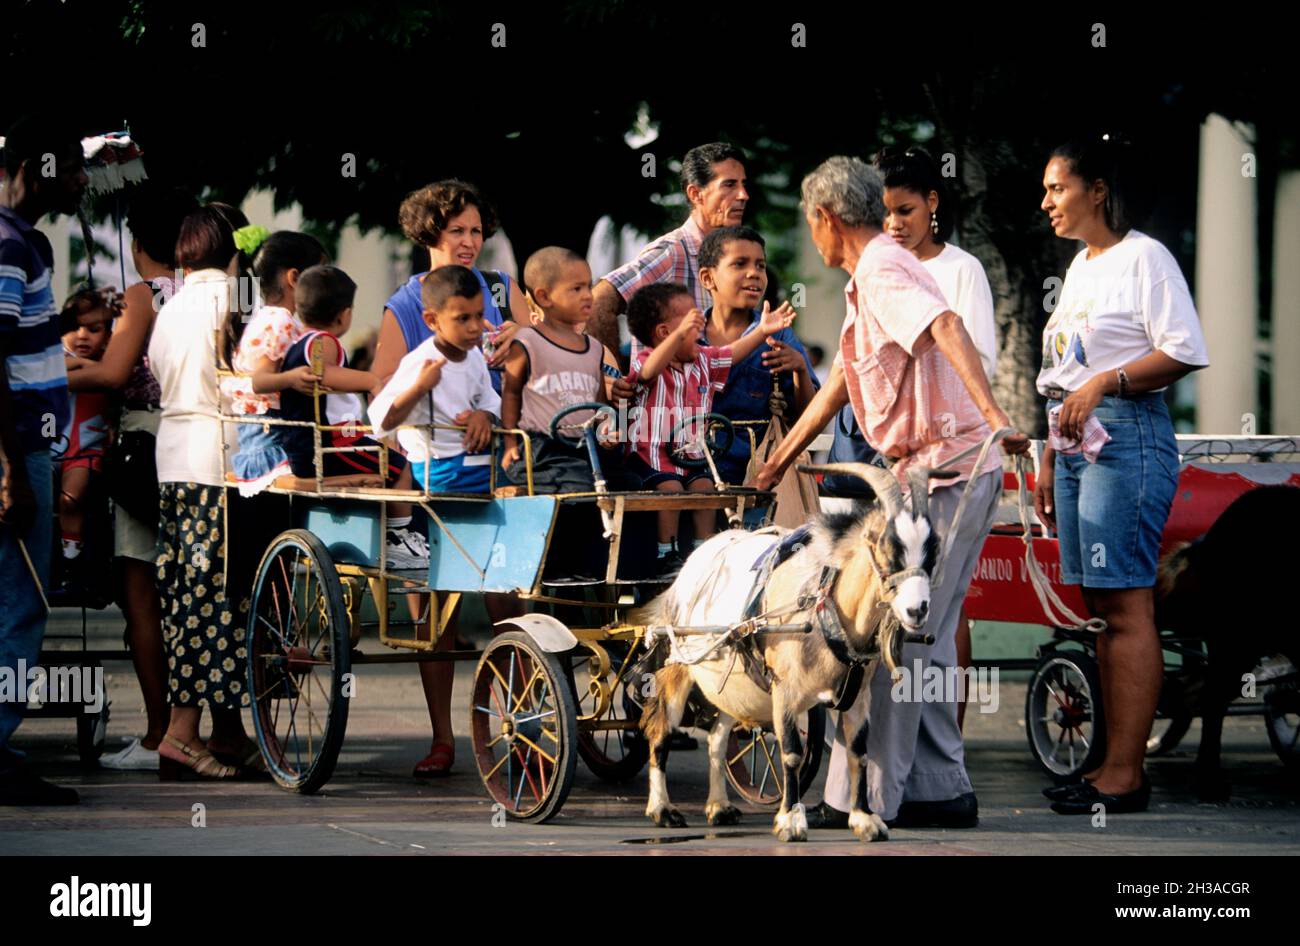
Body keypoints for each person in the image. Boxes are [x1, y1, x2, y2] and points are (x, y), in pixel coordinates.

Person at [754, 156, 1028, 830]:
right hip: (933, 467)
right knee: (924, 636)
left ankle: (868, 799)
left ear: (825, 218)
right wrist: (783, 457)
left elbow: (946, 327)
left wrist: (997, 420)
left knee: (895, 637)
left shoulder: (881, 267)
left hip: (949, 468)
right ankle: (939, 788)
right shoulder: (870, 276)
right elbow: (845, 380)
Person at [1035, 137, 1208, 815]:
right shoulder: (1080, 266)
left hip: (1128, 437)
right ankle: (1111, 766)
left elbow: (1184, 350)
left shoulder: (1146, 257)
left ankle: (1127, 775)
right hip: (1076, 445)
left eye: (1057, 187)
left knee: (1128, 605)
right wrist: (1049, 455)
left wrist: (1110, 378)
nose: (1046, 201)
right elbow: (1066, 376)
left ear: (1096, 190)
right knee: (1101, 609)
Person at [148, 205, 290, 779]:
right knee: (220, 599)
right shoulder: (236, 299)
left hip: (172, 454)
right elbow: (243, 382)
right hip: (221, 460)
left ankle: (226, 732)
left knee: (187, 595)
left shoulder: (171, 305)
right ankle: (183, 734)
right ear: (236, 247)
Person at [62, 182, 195, 770]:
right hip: (203, 448)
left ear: (139, 242)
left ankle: (157, 733)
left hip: (147, 445)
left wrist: (41, 371)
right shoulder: (212, 291)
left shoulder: (146, 294)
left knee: (141, 595)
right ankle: (211, 729)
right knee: (199, 593)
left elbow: (116, 374)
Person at [370, 265, 511, 776]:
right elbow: (380, 420)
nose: (475, 327)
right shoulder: (420, 360)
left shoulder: (474, 358)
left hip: (478, 482)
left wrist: (485, 417)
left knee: (508, 597)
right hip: (438, 487)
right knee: (437, 617)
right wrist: (416, 389)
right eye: (462, 319)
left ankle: (515, 718)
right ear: (431, 319)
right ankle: (440, 736)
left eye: (478, 317)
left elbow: (490, 402)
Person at [876, 145, 999, 730]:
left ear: (932, 203)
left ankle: (949, 738)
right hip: (899, 463)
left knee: (943, 607)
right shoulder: (875, 269)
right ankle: (913, 748)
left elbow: (983, 360)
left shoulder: (959, 270)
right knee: (898, 602)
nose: (895, 224)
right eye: (884, 214)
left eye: (905, 209)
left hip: (957, 459)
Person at [0, 117, 84, 805]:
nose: (76, 181)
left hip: (28, 443)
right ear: (28, 167)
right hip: (18, 446)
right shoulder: (7, 242)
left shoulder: (25, 244)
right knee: (21, 604)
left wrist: (63, 322)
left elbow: (19, 337)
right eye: (62, 169)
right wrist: (7, 467)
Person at [625, 283, 794, 576]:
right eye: (692, 327)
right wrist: (679, 336)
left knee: (705, 489)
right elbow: (647, 372)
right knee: (671, 489)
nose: (700, 333)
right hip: (653, 457)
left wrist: (762, 331)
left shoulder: (703, 360)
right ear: (665, 333)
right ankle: (668, 552)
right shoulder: (648, 360)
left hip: (692, 456)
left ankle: (705, 550)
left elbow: (733, 352)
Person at [233, 264, 397, 494]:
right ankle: (401, 528)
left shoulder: (299, 342)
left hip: (320, 440)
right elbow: (323, 372)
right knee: (399, 467)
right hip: (339, 440)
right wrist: (371, 381)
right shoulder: (322, 342)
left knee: (385, 455)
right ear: (345, 315)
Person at [590, 142, 750, 361]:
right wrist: (611, 376)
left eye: (743, 184)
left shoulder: (739, 259)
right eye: (729, 184)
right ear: (695, 194)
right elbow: (598, 302)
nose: (743, 195)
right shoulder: (671, 252)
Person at [371, 179, 527, 395]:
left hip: (507, 425)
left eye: (476, 231)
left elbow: (549, 360)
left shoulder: (500, 286)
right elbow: (379, 388)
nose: (469, 242)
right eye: (457, 231)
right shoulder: (405, 303)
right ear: (429, 234)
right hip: (441, 426)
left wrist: (525, 338)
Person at [694, 225, 819, 487]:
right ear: (707, 278)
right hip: (691, 477)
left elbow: (810, 416)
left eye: (760, 265)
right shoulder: (686, 337)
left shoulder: (780, 338)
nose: (754, 273)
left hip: (757, 481)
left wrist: (800, 371)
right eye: (740, 264)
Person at [499, 246, 627, 494]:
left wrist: (607, 431)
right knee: (582, 484)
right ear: (544, 297)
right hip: (540, 448)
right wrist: (509, 442)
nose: (587, 295)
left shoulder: (594, 349)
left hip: (582, 444)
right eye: (576, 289)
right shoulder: (527, 342)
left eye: (588, 287)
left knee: (627, 482)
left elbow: (599, 405)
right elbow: (511, 394)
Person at [54, 288, 116, 579]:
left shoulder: (116, 360)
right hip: (48, 447)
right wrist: (88, 366)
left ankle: (71, 560)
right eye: (74, 327)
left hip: (86, 450)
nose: (82, 336)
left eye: (94, 329)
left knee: (71, 497)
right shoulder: (54, 355)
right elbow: (56, 371)